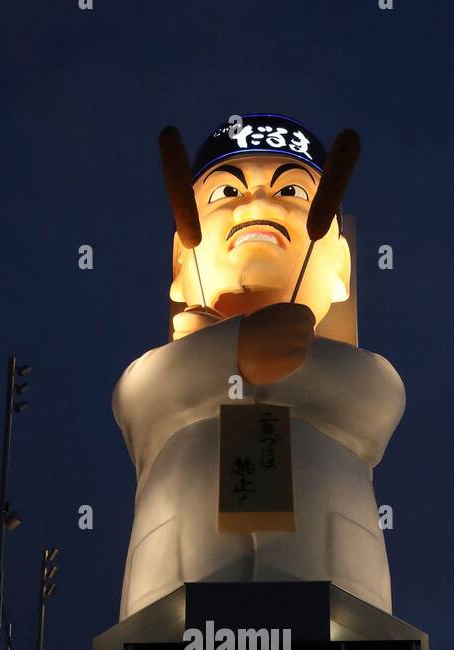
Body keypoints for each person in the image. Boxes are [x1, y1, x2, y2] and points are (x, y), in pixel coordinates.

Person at [114, 114, 405, 621]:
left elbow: (376, 397)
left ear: (340, 267)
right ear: (182, 264)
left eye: (292, 190)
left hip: (337, 598)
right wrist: (237, 350)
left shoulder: (365, 376)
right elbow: (138, 397)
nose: (259, 205)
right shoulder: (153, 375)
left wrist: (261, 355)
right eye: (226, 192)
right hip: (171, 601)